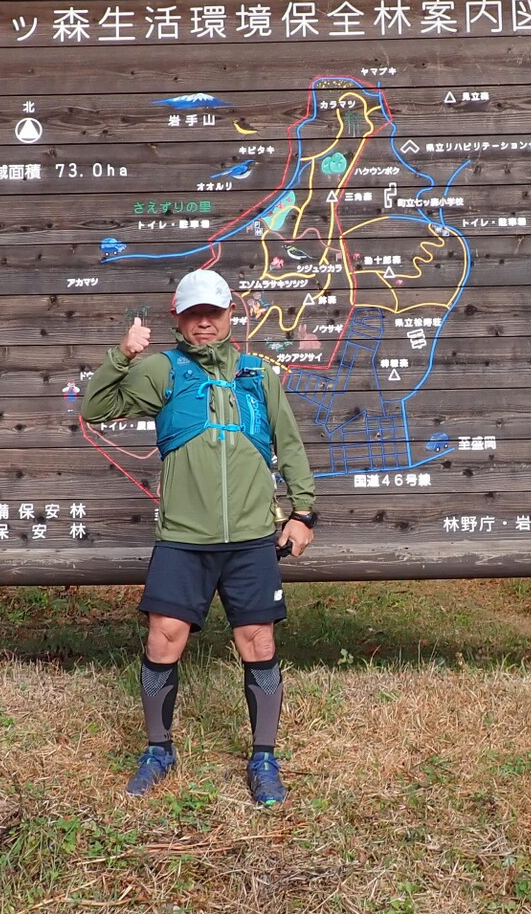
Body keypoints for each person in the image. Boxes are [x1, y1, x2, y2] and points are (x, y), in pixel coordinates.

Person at [80, 268, 318, 805]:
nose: (204, 323)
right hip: (184, 537)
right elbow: (95, 410)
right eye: (193, 314)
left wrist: (303, 513)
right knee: (164, 638)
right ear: (178, 319)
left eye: (213, 312)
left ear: (231, 314)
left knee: (258, 642)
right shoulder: (163, 371)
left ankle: (263, 757)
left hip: (254, 536)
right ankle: (159, 750)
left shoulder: (259, 374)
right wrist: (122, 356)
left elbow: (291, 444)